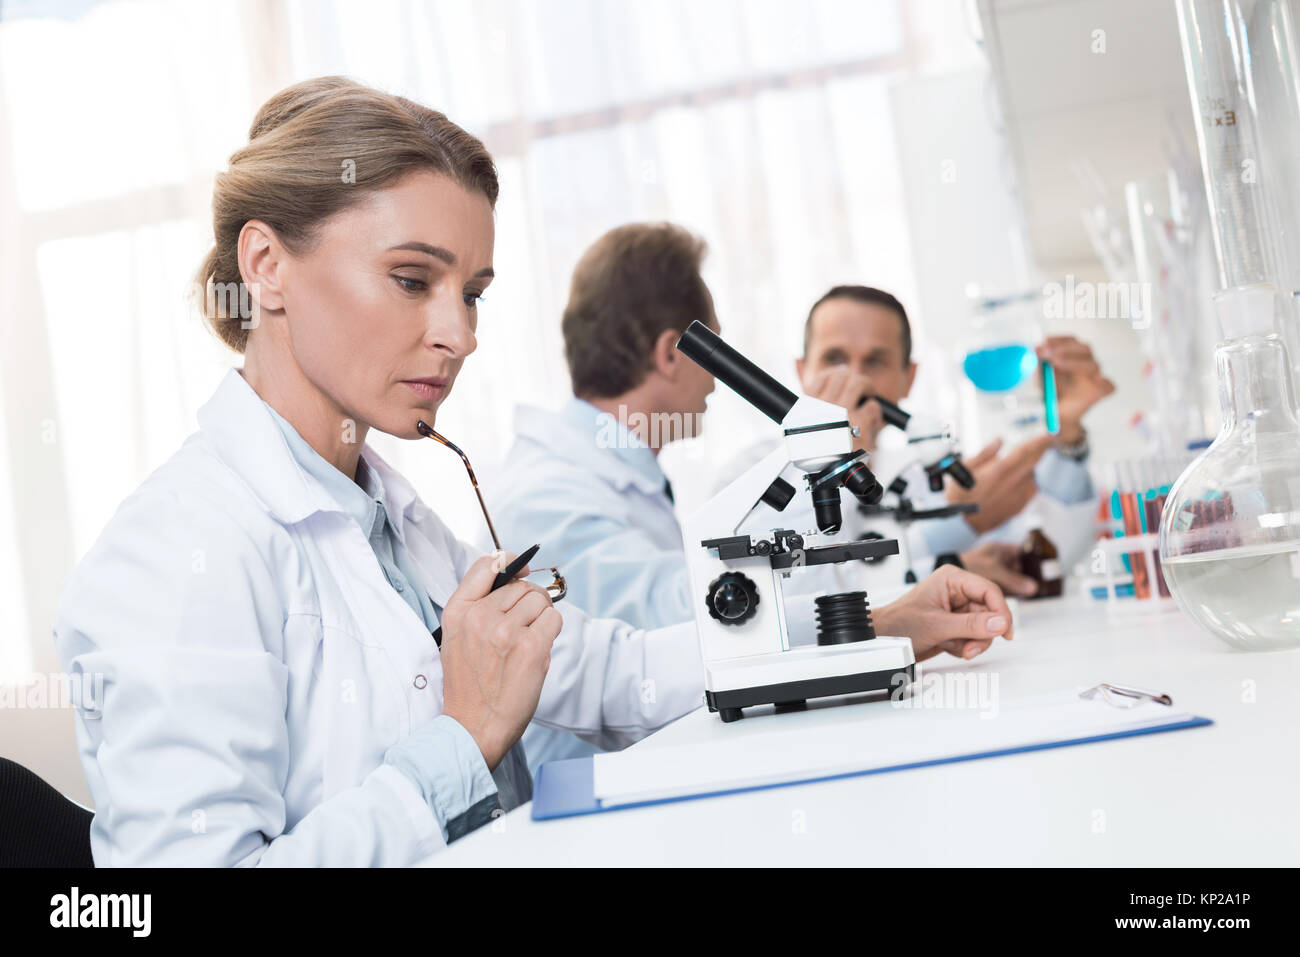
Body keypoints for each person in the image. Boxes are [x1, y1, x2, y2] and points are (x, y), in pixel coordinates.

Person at [52, 81, 1014, 866]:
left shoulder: (396, 514)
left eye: (470, 294)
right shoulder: (173, 554)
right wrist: (461, 742)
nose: (459, 335)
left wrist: (877, 628)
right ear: (264, 264)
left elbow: (617, 675)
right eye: (410, 280)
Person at [490, 224, 1017, 770]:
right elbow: (699, 621)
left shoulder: (618, 477)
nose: (716, 384)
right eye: (716, 350)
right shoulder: (547, 497)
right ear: (673, 355)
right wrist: (879, 621)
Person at [796, 286, 1115, 592]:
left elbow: (1049, 557)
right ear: (802, 372)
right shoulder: (757, 480)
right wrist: (954, 547)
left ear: (910, 378)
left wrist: (1066, 428)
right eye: (834, 360)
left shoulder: (927, 476)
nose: (855, 380)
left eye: (876, 361)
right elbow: (804, 593)